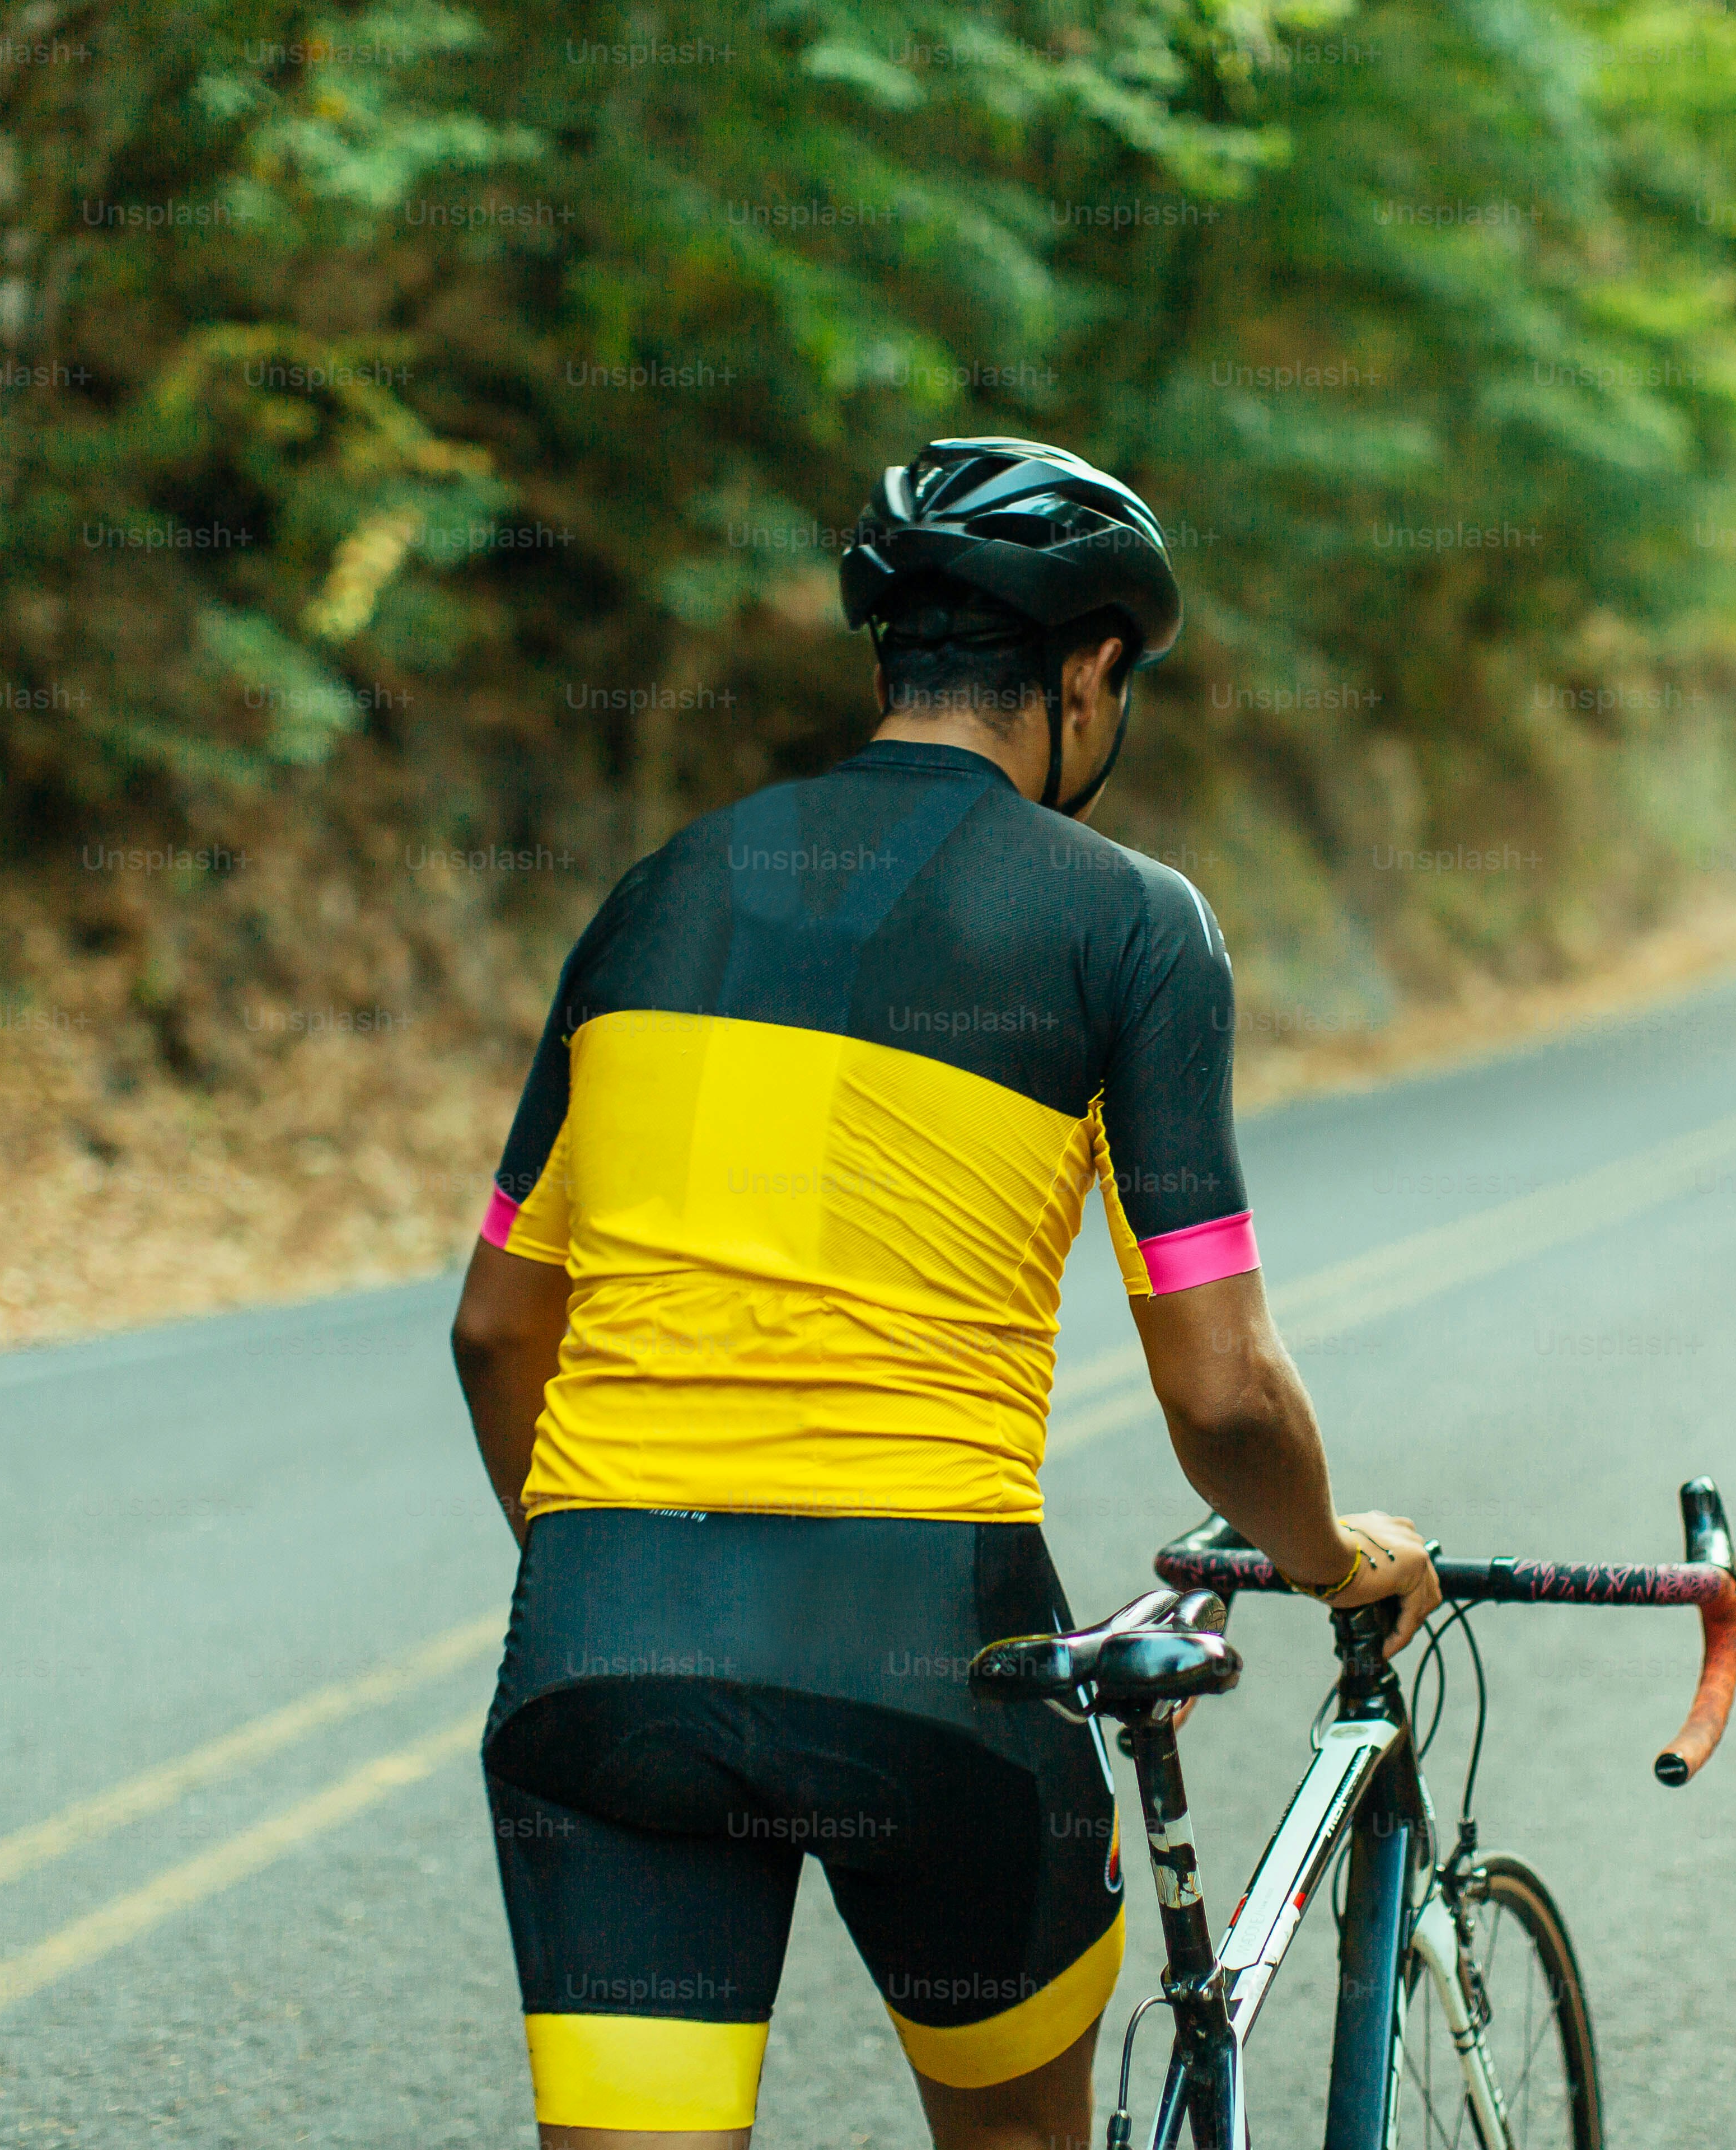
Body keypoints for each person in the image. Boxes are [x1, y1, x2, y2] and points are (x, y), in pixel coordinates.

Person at [448, 437, 1440, 2150]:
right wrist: (1331, 1555)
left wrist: (615, 1573)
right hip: (928, 1647)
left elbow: (492, 1326)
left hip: (600, 1637)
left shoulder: (655, 897)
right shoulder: (1127, 925)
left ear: (886, 656)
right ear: (1090, 671)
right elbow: (1221, 1392)